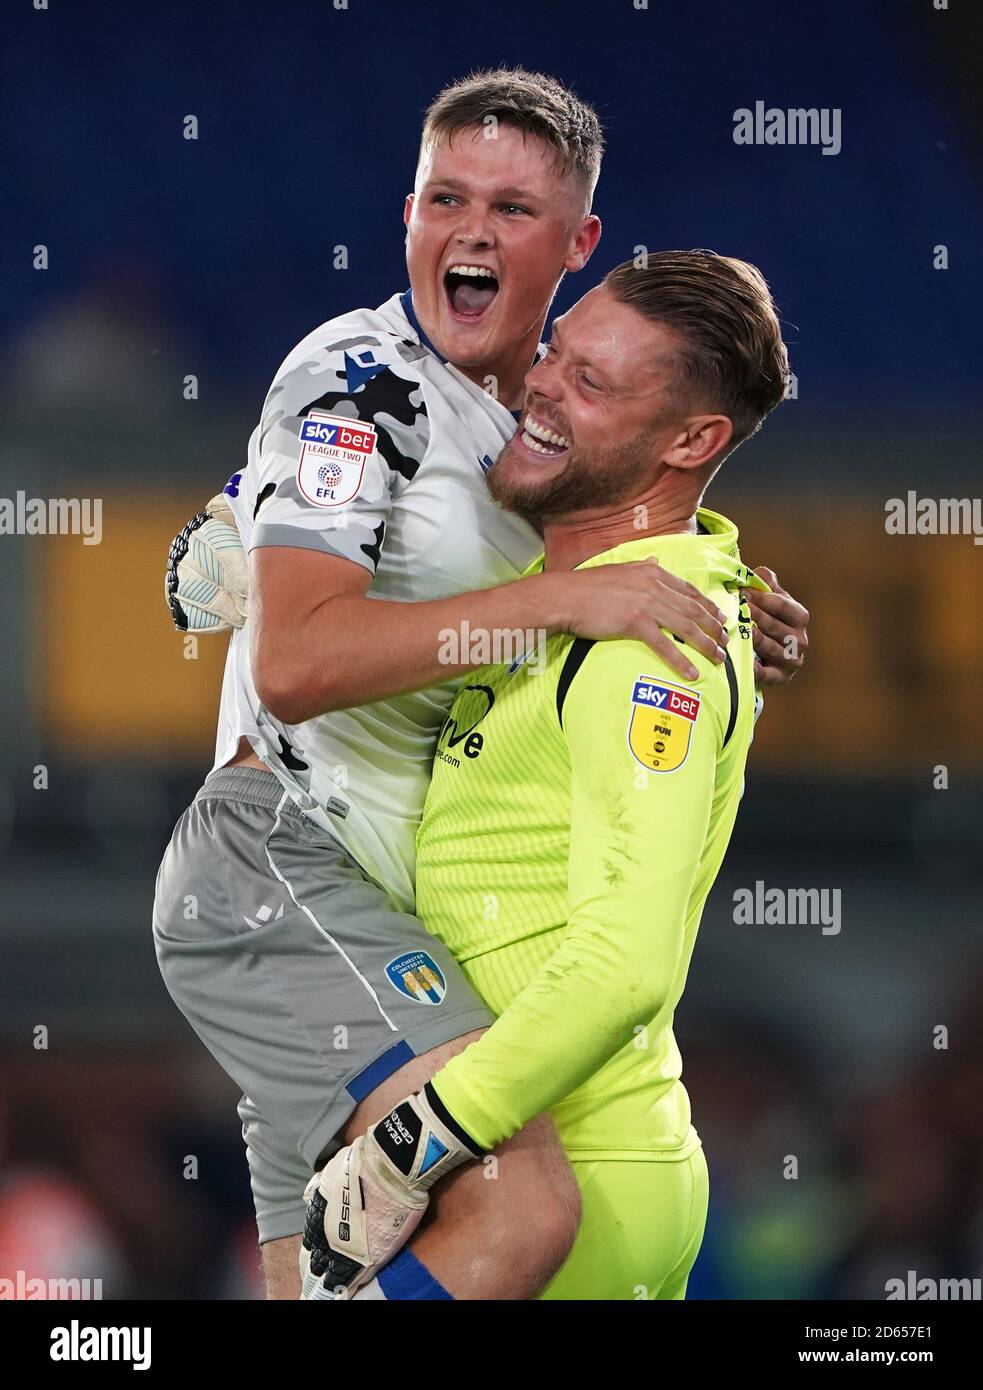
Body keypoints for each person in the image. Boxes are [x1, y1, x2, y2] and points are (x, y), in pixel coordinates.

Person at [154, 69, 809, 1301]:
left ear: (578, 243)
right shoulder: (359, 385)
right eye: (442, 196)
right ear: (403, 214)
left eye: (511, 209)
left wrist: (718, 587)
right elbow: (292, 664)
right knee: (519, 1211)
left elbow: (620, 511)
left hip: (385, 926)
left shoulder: (535, 425)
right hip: (288, 863)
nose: (469, 230)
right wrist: (560, 601)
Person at [306, 249, 790, 1301]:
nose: (540, 383)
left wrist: (412, 1139)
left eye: (592, 383)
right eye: (557, 349)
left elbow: (627, 961)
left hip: (566, 1188)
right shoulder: (571, 593)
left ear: (691, 441)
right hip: (519, 1168)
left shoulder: (639, 641)